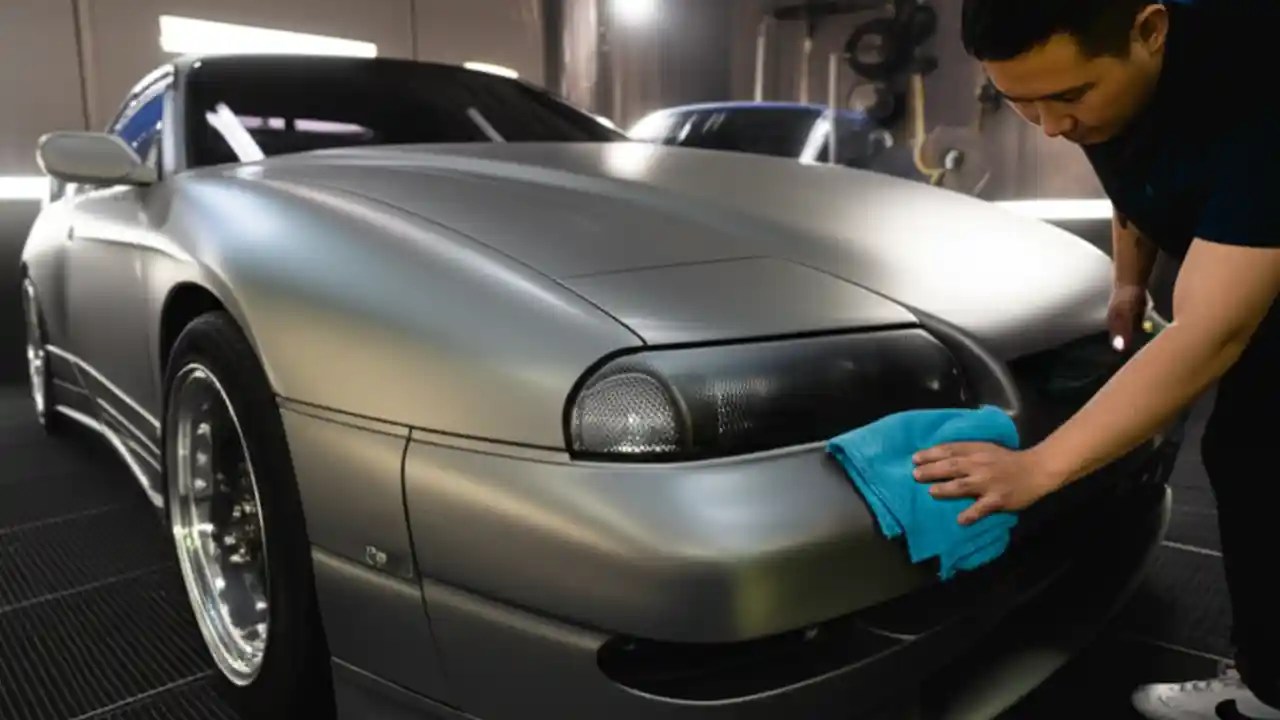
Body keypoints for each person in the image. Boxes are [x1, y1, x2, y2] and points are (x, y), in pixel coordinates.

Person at [910, 0, 1280, 717]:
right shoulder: (1086, 88)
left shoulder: (1256, 90)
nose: (1052, 126)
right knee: (1244, 454)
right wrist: (1128, 279)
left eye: (1069, 97)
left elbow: (1212, 332)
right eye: (1022, 105)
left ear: (1151, 31)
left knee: (1258, 450)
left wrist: (1036, 469)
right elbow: (1129, 175)